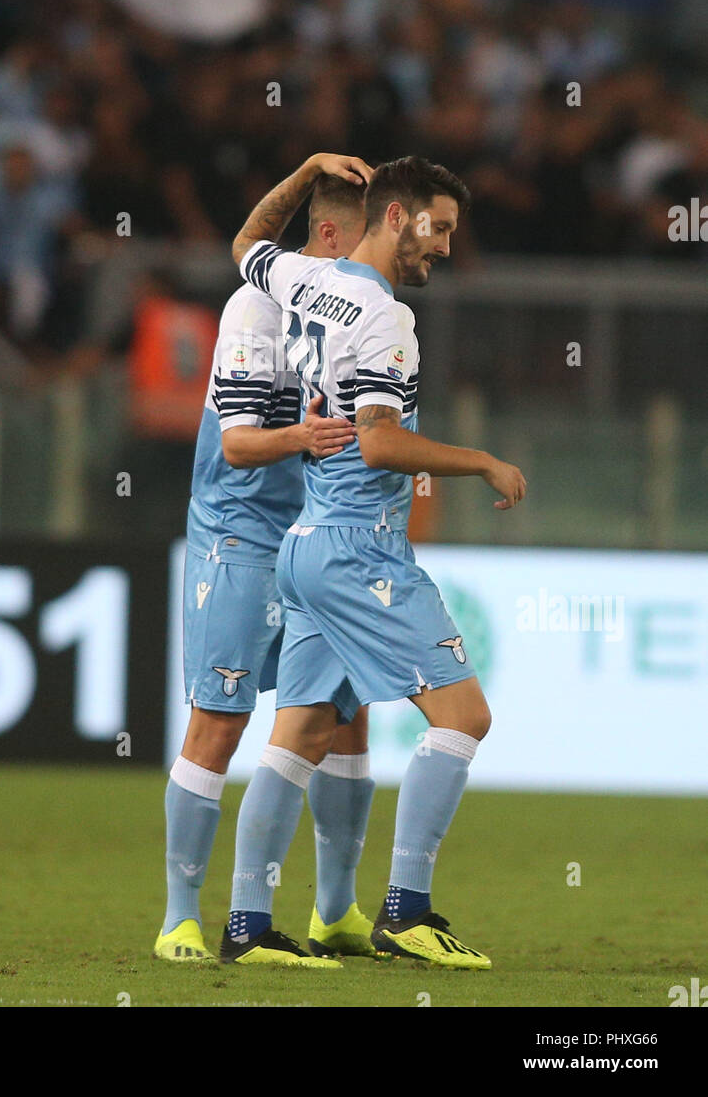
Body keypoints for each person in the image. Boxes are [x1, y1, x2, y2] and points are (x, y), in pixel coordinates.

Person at [220, 152, 526, 968]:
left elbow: (246, 242)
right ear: (396, 217)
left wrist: (301, 172)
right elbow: (381, 443)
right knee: (464, 717)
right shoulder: (387, 318)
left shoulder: (304, 279)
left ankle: (247, 924)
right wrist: (482, 461)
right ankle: (406, 910)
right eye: (440, 228)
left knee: (301, 735)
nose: (446, 247)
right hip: (360, 550)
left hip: (306, 545)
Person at [156, 171, 379, 967]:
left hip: (317, 536)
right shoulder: (258, 307)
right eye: (370, 242)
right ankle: (180, 917)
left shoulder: (361, 313)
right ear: (330, 238)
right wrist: (307, 438)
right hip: (240, 535)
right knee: (220, 721)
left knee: (344, 716)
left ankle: (335, 911)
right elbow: (241, 445)